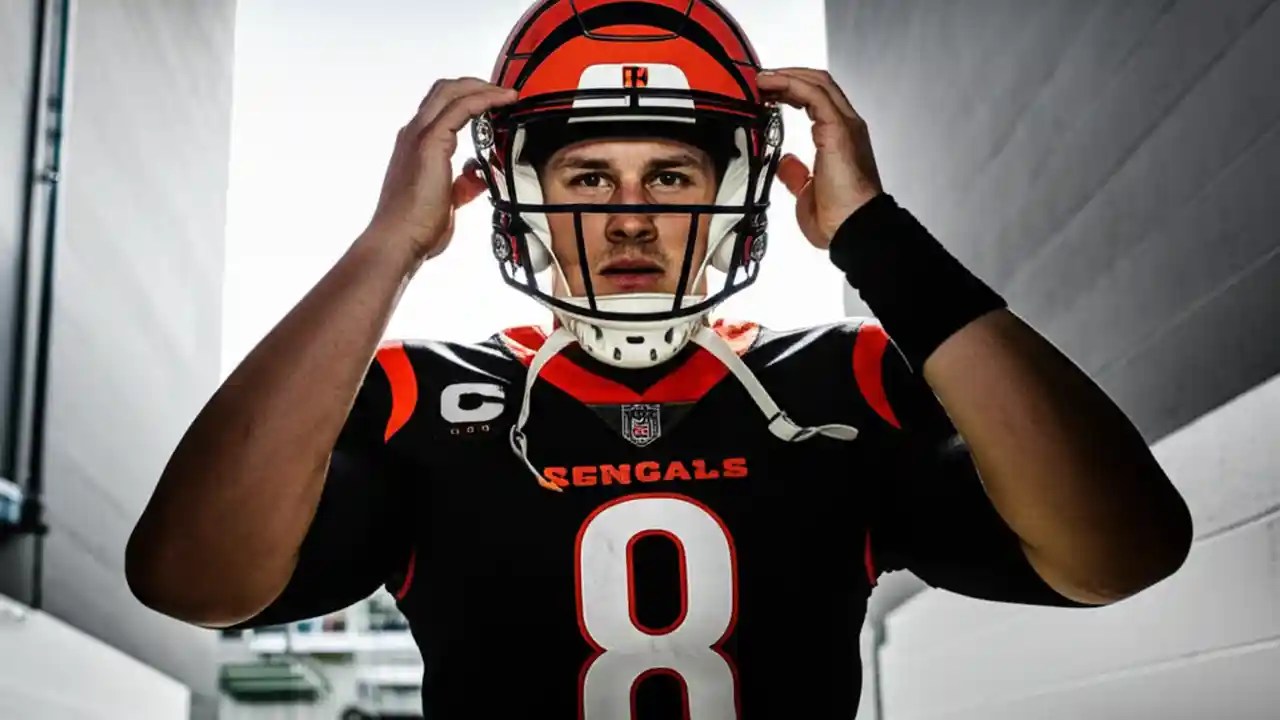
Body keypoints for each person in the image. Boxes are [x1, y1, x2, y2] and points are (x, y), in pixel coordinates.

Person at [126, 0, 1193, 717]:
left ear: (734, 196)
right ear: (522, 200)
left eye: (671, 177)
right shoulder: (418, 394)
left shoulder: (846, 379)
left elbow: (1120, 551)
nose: (630, 215)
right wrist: (385, 249)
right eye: (588, 178)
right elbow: (191, 579)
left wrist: (876, 238)